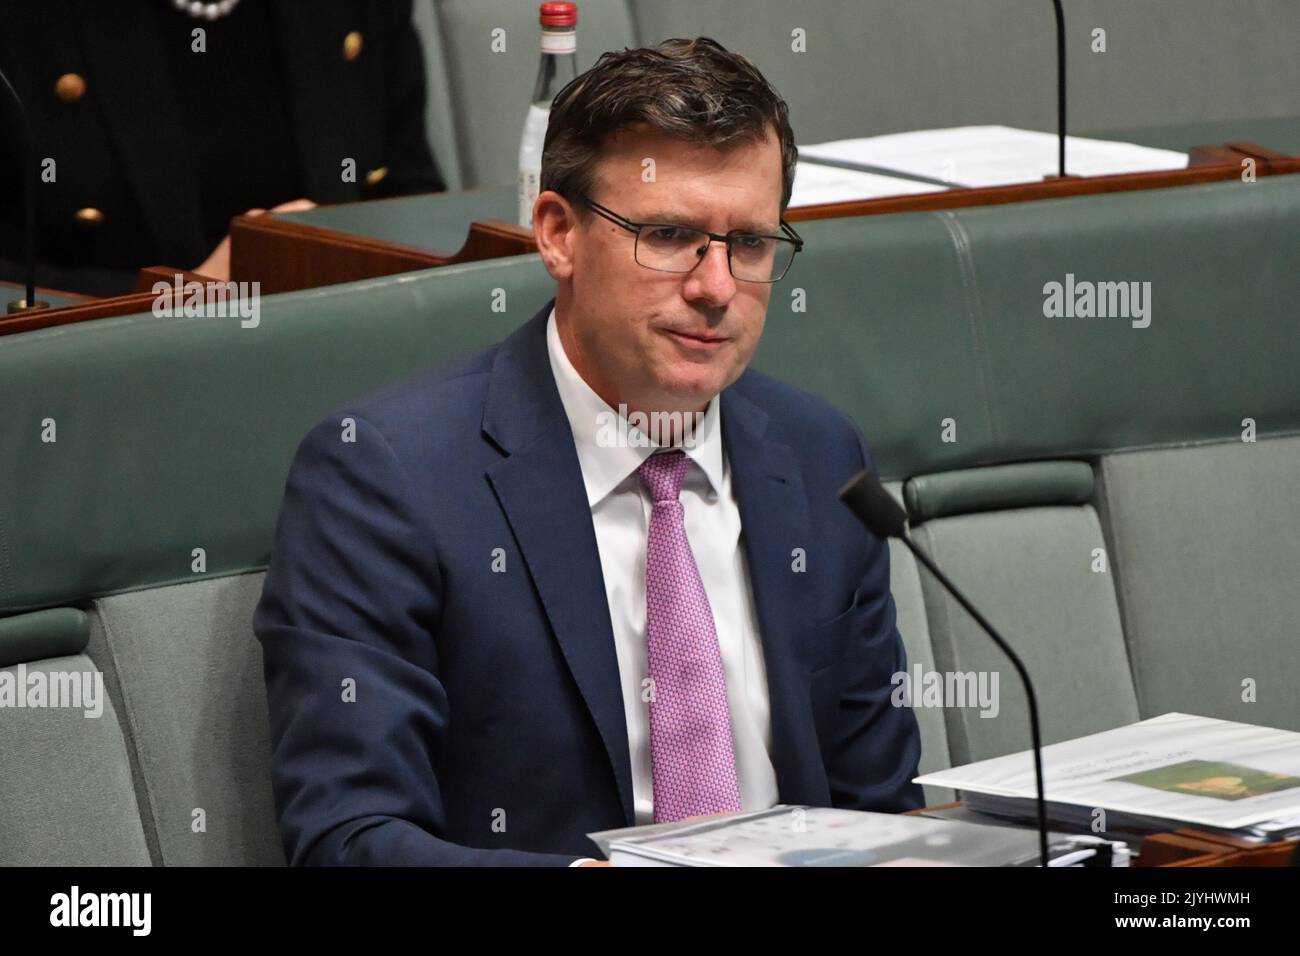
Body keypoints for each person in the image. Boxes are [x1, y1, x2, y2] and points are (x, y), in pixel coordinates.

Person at [254, 37, 923, 867]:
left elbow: (880, 807)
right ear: (558, 235)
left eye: (748, 244)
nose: (716, 286)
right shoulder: (385, 479)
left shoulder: (822, 458)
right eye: (671, 234)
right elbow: (347, 841)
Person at [0, 0, 443, 295]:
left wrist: (335, 265)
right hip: (115, 382)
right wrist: (179, 295)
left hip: (350, 357)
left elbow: (415, 201)